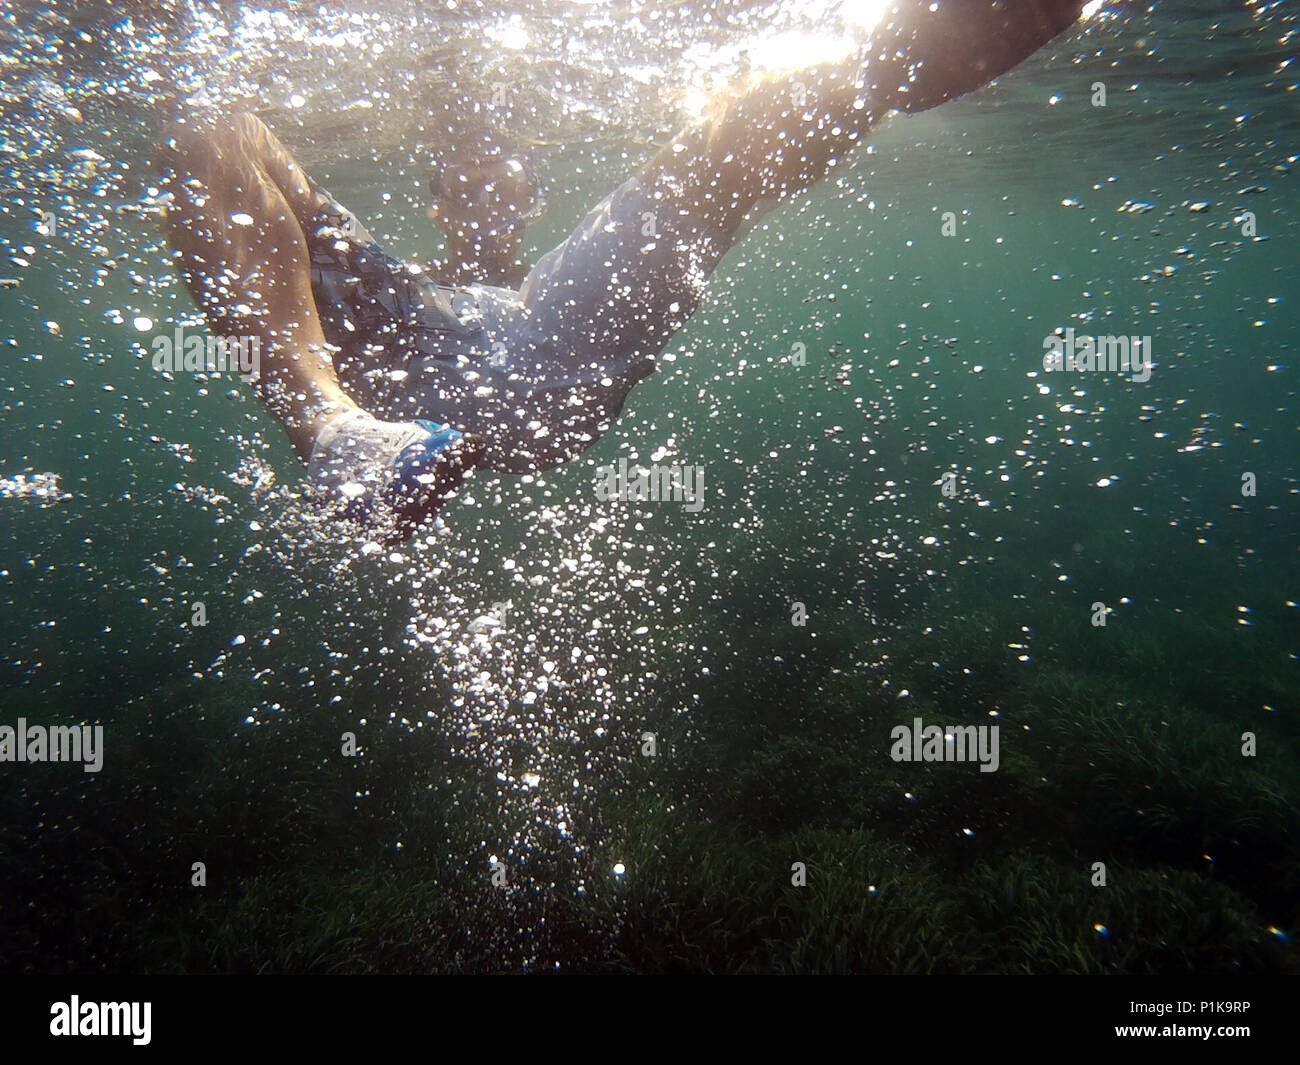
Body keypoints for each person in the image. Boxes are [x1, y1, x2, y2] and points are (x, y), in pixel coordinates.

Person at [158, 0, 1087, 544]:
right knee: (218, 134)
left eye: (504, 161)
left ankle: (329, 433)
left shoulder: (429, 303)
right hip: (483, 386)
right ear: (442, 195)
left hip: (524, 367)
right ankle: (334, 434)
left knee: (751, 130)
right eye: (468, 166)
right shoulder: (393, 296)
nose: (491, 175)